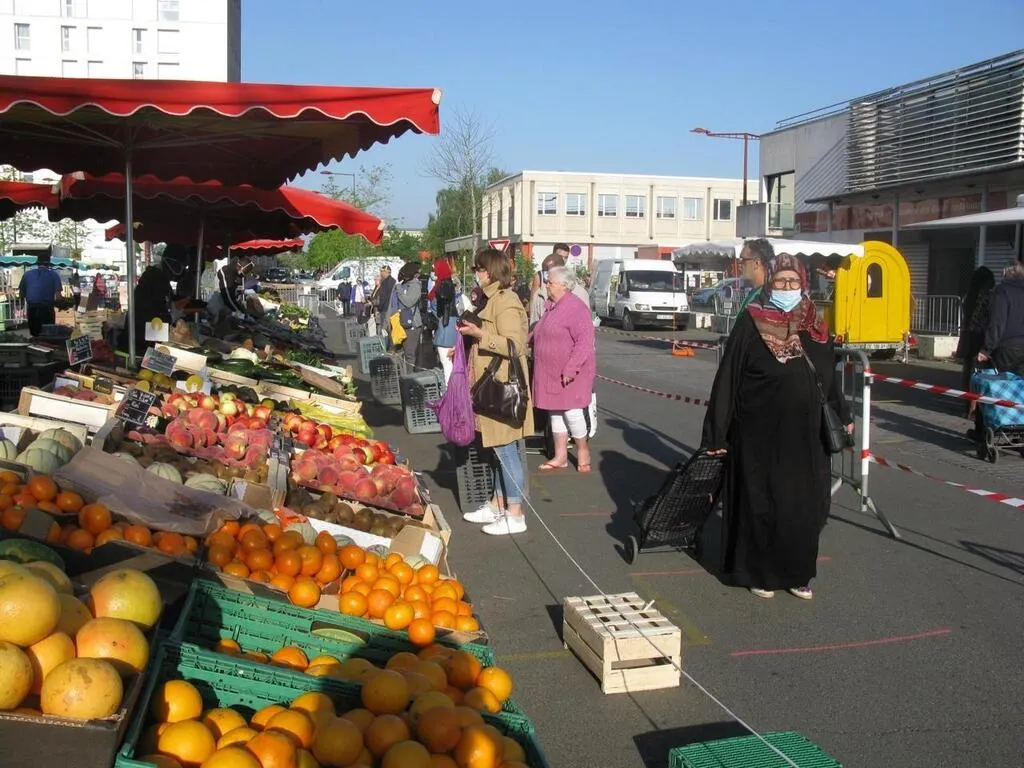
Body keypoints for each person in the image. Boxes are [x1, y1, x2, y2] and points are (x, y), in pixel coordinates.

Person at [703, 253, 852, 601]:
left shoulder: (816, 326)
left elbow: (829, 379)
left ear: (804, 284)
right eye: (780, 281)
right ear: (771, 285)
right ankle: (760, 573)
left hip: (806, 437)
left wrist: (843, 415)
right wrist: (717, 433)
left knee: (803, 507)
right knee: (761, 503)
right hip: (758, 434)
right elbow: (729, 377)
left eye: (793, 281)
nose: (787, 287)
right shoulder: (751, 322)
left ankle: (798, 574)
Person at [459, 248, 534, 536]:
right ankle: (497, 503)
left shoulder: (506, 302)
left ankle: (515, 514)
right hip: (492, 388)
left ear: (489, 271)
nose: (476, 273)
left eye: (479, 268)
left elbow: (516, 346)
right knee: (498, 452)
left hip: (502, 390)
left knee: (506, 452)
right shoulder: (492, 300)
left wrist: (481, 336)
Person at [531, 266, 597, 472]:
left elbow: (585, 342)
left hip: (570, 373)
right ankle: (560, 456)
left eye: (550, 282)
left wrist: (571, 368)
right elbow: (540, 331)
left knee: (572, 412)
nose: (546, 285)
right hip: (550, 371)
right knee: (556, 412)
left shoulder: (576, 308)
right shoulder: (552, 305)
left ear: (563, 285)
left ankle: (583, 451)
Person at [131, 245, 194, 354]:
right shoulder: (154, 279)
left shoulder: (162, 280)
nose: (183, 271)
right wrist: (170, 317)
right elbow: (151, 316)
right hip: (142, 343)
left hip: (149, 338)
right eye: (181, 266)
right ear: (171, 264)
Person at [958, 266, 995, 415]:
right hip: (979, 336)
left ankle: (967, 403)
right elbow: (983, 318)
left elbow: (968, 316)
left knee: (967, 371)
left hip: (967, 336)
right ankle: (975, 408)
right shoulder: (986, 296)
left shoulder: (969, 295)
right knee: (979, 372)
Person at [530, 252, 590, 326]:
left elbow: (585, 325)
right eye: (544, 270)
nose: (545, 273)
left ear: (560, 269)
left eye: (548, 270)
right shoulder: (540, 294)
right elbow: (533, 324)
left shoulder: (580, 293)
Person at [428, 258, 460, 383]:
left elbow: (440, 303)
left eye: (435, 269)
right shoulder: (445, 284)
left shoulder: (444, 285)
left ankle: (449, 391)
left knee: (446, 361)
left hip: (446, 324)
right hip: (448, 322)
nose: (434, 273)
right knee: (447, 362)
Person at [18, 252, 63, 336]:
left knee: (35, 334)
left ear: (37, 263)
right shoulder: (54, 275)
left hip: (32, 309)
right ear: (49, 263)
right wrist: (63, 304)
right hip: (47, 309)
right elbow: (58, 296)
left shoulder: (27, 274)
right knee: (47, 335)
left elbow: (21, 294)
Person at [393, 262, 423, 368]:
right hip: (400, 323)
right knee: (400, 353)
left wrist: (399, 290)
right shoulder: (402, 285)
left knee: (410, 354)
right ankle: (404, 376)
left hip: (411, 325)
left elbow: (409, 302)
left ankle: (410, 378)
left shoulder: (415, 286)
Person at [735, 238, 773, 314]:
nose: (739, 264)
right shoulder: (755, 292)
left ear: (756, 263)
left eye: (743, 259)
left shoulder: (767, 297)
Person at [373, 265, 396, 339]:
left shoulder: (385, 282)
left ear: (386, 272)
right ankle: (390, 346)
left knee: (384, 329)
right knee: (390, 328)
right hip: (392, 308)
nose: (380, 273)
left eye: (381, 271)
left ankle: (385, 346)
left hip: (385, 309)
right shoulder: (393, 281)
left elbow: (383, 297)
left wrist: (380, 307)